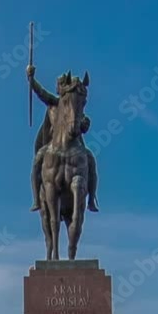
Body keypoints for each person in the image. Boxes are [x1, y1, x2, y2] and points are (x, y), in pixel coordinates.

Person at [27, 65, 100, 213]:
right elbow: (40, 93)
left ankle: (91, 199)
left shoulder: (75, 107)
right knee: (38, 160)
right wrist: (31, 78)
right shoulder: (54, 103)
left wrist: (85, 123)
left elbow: (82, 123)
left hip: (75, 146)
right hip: (53, 146)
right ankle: (36, 199)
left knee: (90, 160)